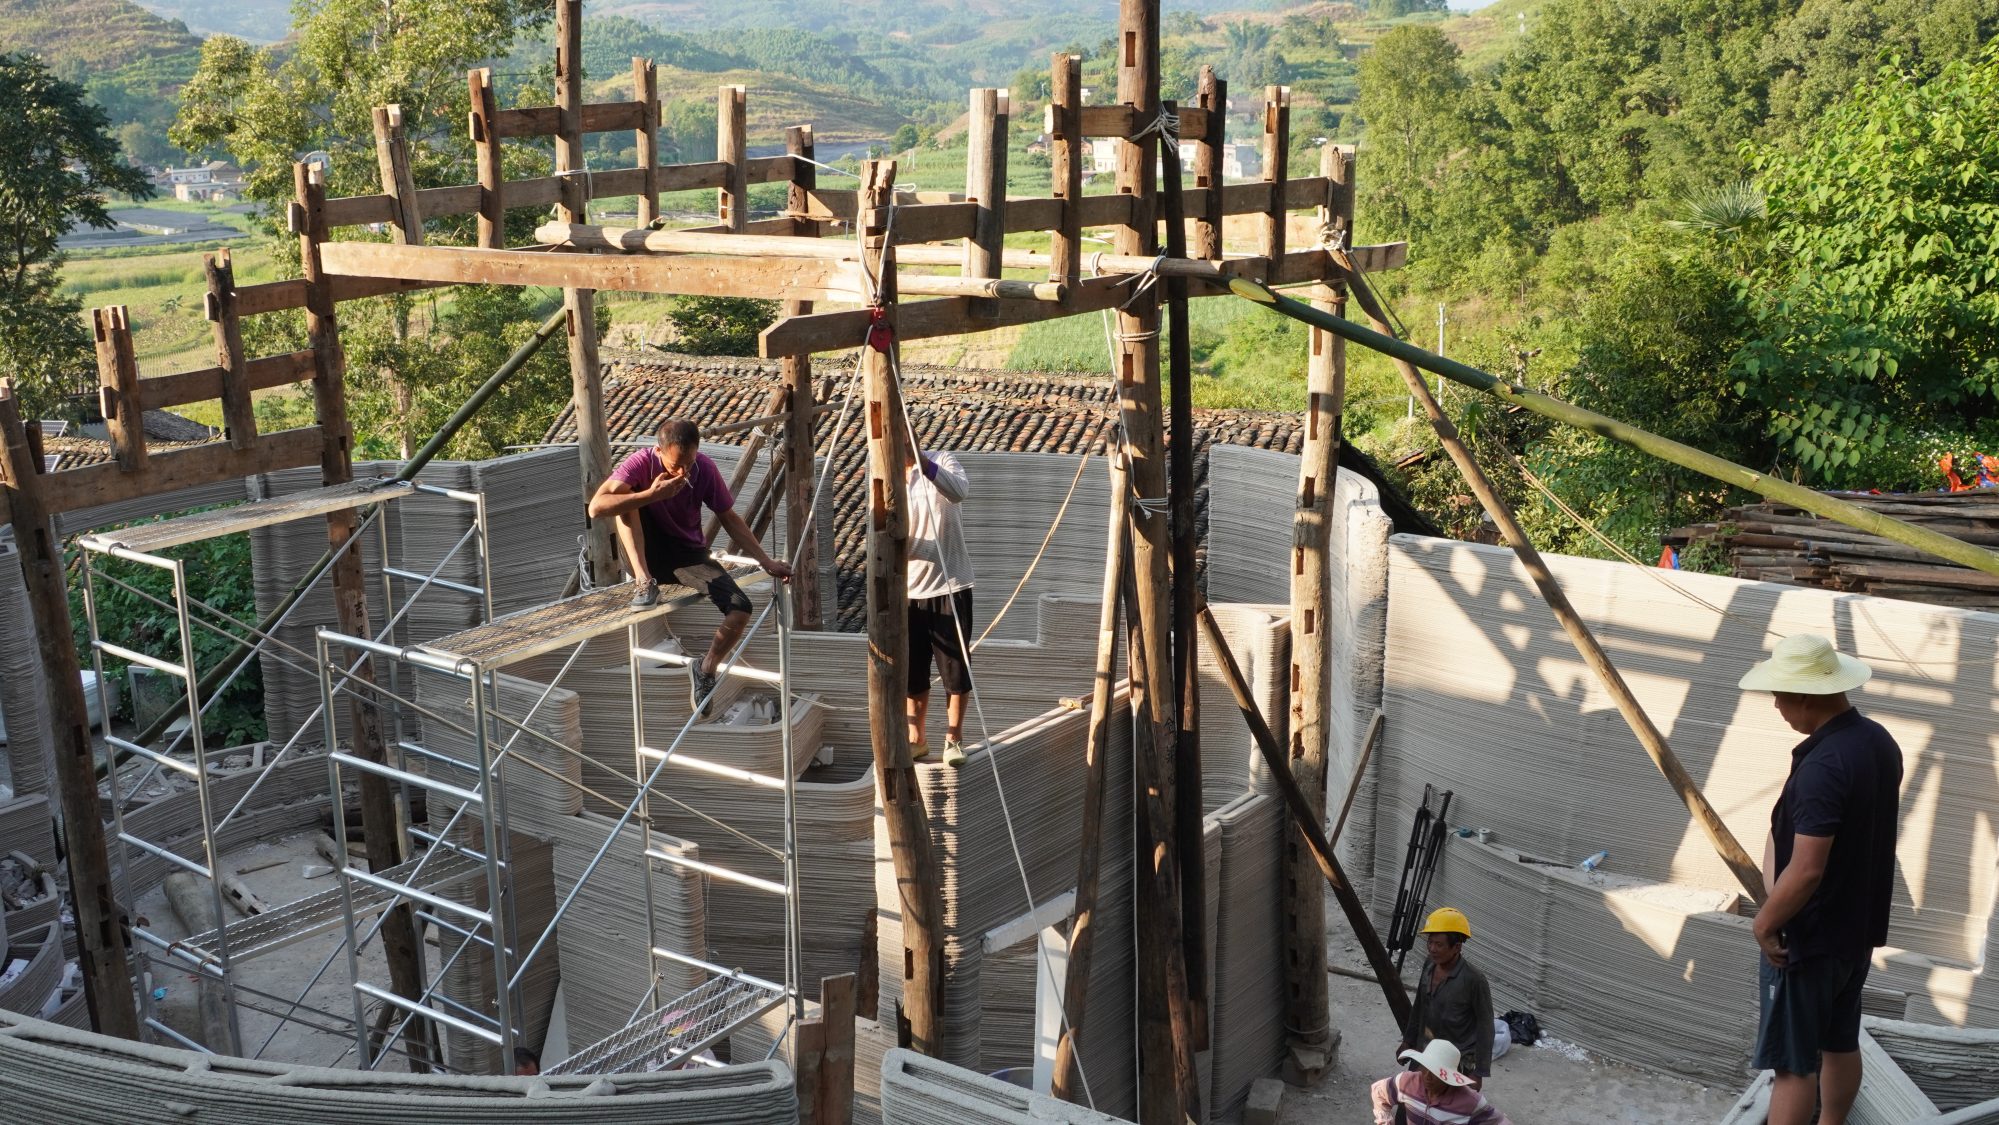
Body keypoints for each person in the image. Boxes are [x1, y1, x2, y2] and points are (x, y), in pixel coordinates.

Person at [1739, 634, 1902, 1125]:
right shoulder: (1876, 741)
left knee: (1792, 1066)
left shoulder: (1825, 765)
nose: (1775, 704)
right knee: (1838, 1040)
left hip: (1809, 939)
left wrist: (1765, 923)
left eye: (1780, 694)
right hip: (1855, 932)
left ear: (1806, 695)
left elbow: (1808, 867)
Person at [587, 418, 792, 714]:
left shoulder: (704, 469)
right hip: (645, 554)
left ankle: (705, 669)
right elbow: (596, 507)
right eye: (674, 465)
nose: (682, 473)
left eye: (689, 463)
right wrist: (652, 495)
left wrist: (766, 560)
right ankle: (644, 583)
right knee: (624, 501)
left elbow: (729, 518)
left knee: (740, 607)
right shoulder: (640, 463)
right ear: (659, 452)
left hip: (686, 556)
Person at [903, 445, 973, 766]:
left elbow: (959, 491)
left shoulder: (940, 460)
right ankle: (916, 739)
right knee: (912, 671)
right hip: (908, 589)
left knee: (955, 669)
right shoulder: (884, 475)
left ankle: (953, 738)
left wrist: (922, 462)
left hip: (950, 584)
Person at [1399, 906, 1495, 1088]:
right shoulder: (1429, 966)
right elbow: (1419, 1005)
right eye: (1430, 942)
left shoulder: (1474, 980)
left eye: (1439, 944)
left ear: (1457, 947)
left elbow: (1485, 1025)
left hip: (1455, 1061)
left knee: (1446, 1112)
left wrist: (1479, 1071)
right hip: (1425, 1051)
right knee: (1409, 1105)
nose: (1432, 949)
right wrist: (1408, 1040)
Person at [1371, 1038, 1512, 1125]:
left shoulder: (1470, 1101)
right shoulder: (1407, 1082)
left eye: (1436, 1073)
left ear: (1448, 1078)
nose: (1427, 1076)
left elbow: (1499, 1122)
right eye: (1425, 1068)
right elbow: (1379, 1091)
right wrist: (1385, 1122)